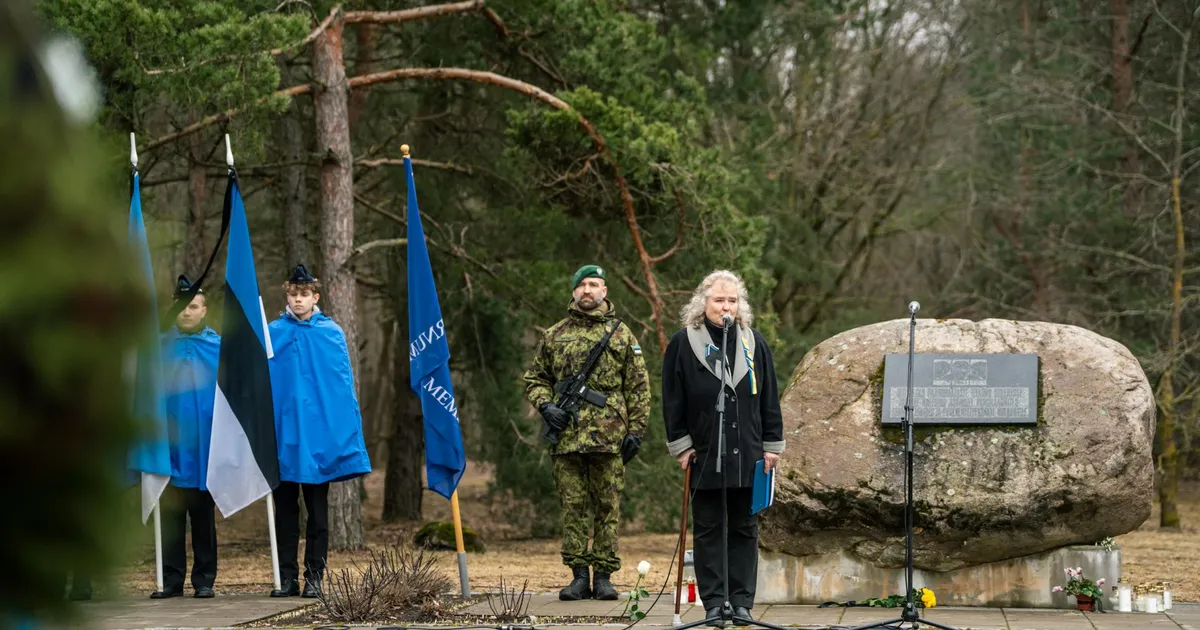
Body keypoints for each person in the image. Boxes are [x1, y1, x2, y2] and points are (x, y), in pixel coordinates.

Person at [661, 270, 785, 627]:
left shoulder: (753, 342)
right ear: (704, 303)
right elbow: (673, 400)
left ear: (739, 305)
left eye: (732, 300)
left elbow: (769, 398)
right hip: (705, 451)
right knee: (710, 527)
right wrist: (682, 445)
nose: (725, 307)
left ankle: (742, 601)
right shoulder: (684, 343)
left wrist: (772, 444)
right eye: (719, 300)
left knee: (745, 528)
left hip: (748, 451)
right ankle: (715, 602)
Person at [523, 264, 651, 601]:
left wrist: (636, 431)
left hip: (609, 438)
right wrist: (545, 405)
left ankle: (605, 576)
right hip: (567, 439)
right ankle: (579, 576)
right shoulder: (554, 334)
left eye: (594, 284)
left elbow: (638, 387)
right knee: (573, 508)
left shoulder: (621, 334)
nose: (588, 291)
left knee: (608, 508)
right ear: (574, 292)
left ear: (605, 291)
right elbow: (534, 378)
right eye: (582, 285)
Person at [268, 264, 371, 598]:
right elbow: (263, 386)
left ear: (315, 296)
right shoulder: (272, 333)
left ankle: (315, 576)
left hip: (317, 441)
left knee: (318, 515)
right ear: (287, 296)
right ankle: (286, 578)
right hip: (283, 437)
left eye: (303, 295)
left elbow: (340, 392)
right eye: (292, 294)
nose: (297, 300)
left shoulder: (331, 334)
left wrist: (339, 436)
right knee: (285, 514)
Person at [153, 276, 221, 599]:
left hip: (207, 448)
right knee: (171, 518)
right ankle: (172, 579)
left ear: (204, 310)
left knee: (203, 517)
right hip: (170, 447)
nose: (187, 312)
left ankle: (205, 579)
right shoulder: (160, 347)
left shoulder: (218, 348)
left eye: (193, 306)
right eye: (181, 306)